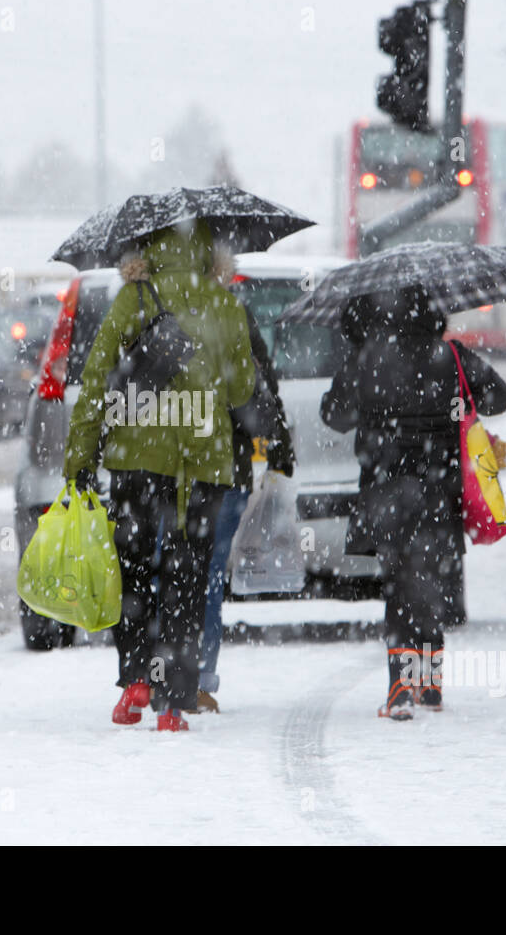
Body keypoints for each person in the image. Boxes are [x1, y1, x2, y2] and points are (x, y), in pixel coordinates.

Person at [63, 219, 256, 732]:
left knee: (134, 573)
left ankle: (135, 683)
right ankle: (173, 703)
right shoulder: (226, 303)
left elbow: (96, 377)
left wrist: (79, 457)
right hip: (203, 461)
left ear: (146, 248)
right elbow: (241, 393)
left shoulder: (134, 298)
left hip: (135, 461)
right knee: (188, 579)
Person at [320, 287, 506, 720]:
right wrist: (458, 400)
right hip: (439, 489)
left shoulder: (368, 358)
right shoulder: (452, 356)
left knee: (400, 585)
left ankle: (400, 688)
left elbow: (333, 415)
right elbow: (500, 398)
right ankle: (428, 683)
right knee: (428, 584)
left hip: (386, 488)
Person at [196, 277, 295, 714]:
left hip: (164, 473)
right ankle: (199, 681)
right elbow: (261, 391)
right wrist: (277, 441)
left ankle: (158, 676)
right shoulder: (232, 313)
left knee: (165, 574)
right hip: (224, 471)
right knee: (210, 576)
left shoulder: (149, 310)